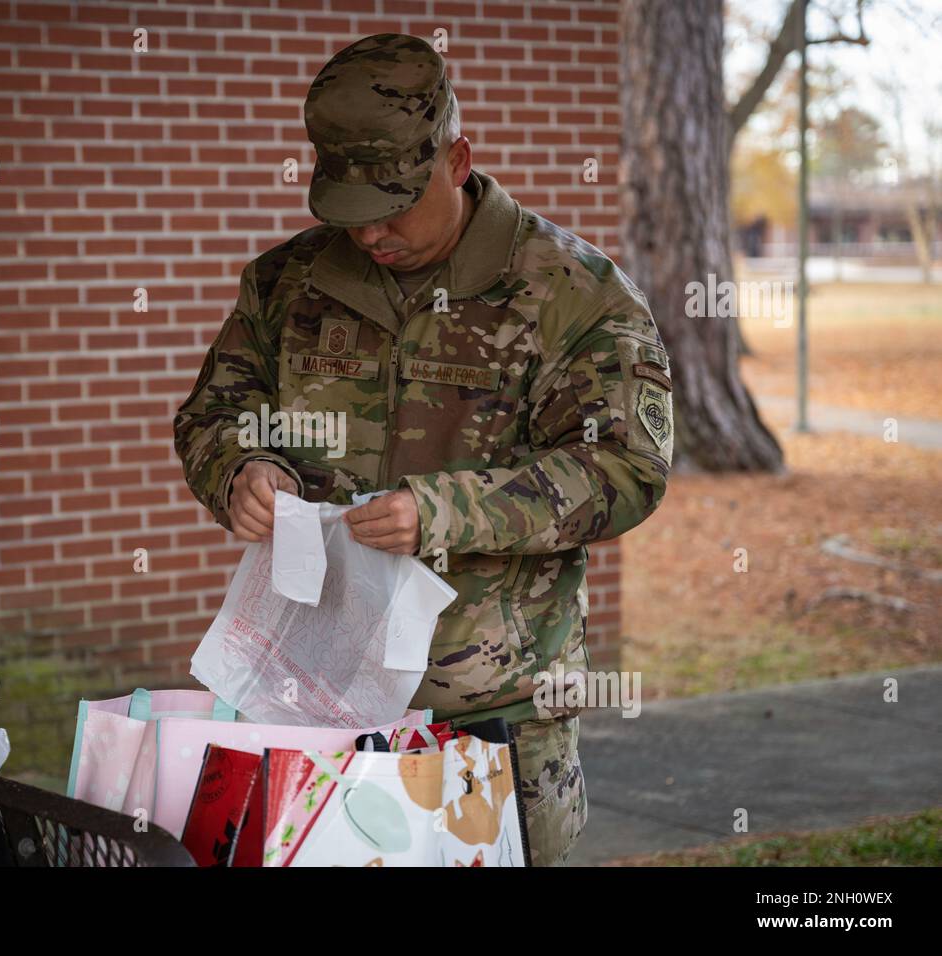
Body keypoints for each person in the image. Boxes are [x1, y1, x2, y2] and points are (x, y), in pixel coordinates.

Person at [173, 33, 674, 865]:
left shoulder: (574, 294)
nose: (370, 234)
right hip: (315, 700)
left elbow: (625, 469)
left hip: (493, 714)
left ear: (457, 159)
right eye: (347, 210)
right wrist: (238, 468)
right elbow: (213, 412)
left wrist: (444, 510)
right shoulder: (286, 284)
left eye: (394, 206)